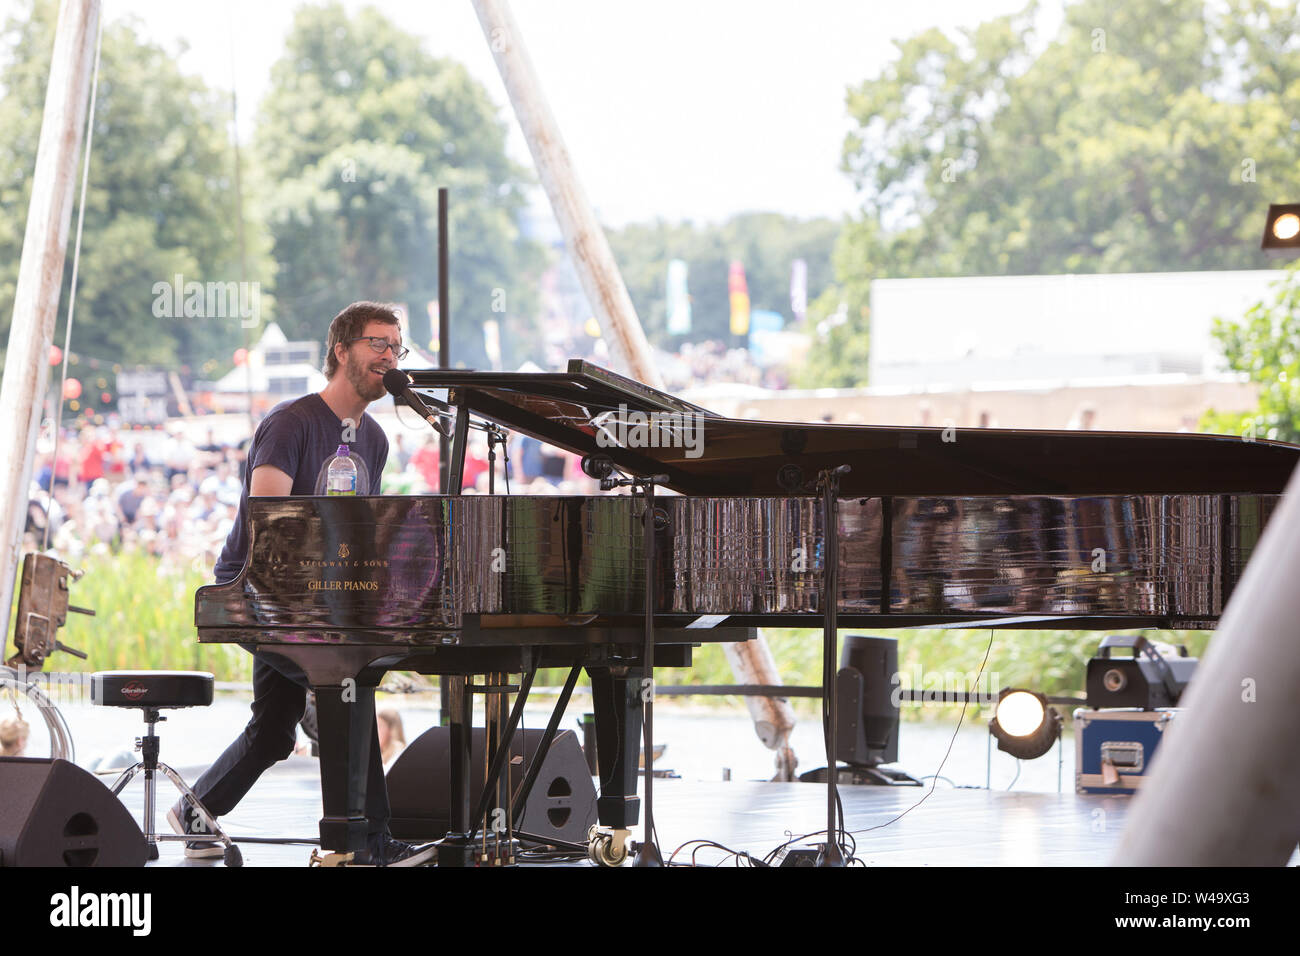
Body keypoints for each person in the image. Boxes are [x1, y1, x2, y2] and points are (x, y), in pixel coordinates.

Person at [169, 301, 434, 867]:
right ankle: (369, 843)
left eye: (396, 346)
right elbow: (271, 517)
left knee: (272, 732)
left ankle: (195, 810)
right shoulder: (292, 423)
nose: (389, 357)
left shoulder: (376, 441)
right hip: (259, 593)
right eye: (377, 344)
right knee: (351, 685)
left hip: (323, 603)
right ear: (341, 349)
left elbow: (359, 531)